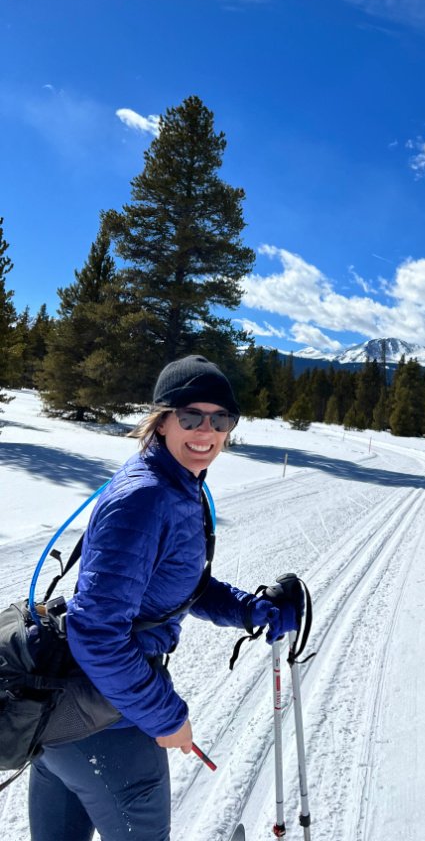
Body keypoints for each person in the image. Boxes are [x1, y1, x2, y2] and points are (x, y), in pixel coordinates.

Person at [28, 354, 299, 841]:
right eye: (191, 416)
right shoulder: (148, 496)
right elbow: (96, 630)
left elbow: (177, 582)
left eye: (221, 419)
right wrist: (166, 717)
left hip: (68, 720)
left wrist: (248, 609)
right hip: (107, 729)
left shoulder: (175, 485)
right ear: (162, 419)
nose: (206, 431)